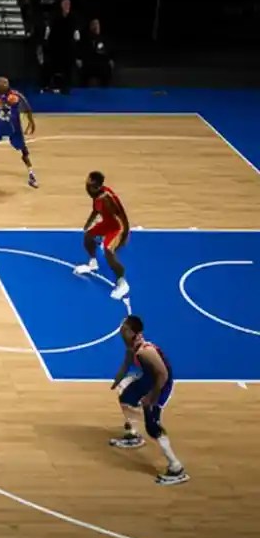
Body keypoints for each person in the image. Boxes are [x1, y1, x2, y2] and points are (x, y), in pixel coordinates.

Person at [109, 316, 187, 485]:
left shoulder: (145, 351)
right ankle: (133, 434)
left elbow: (163, 374)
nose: (121, 330)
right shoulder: (132, 347)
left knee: (152, 425)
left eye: (124, 328)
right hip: (149, 379)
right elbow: (126, 363)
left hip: (161, 384)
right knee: (126, 397)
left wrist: (152, 396)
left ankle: (176, 468)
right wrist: (117, 380)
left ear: (132, 332)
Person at [73, 170, 131, 300]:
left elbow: (121, 217)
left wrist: (124, 235)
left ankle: (123, 282)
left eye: (88, 184)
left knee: (108, 250)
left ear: (96, 187)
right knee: (88, 236)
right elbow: (95, 209)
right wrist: (88, 223)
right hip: (108, 222)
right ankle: (93, 263)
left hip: (118, 227)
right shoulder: (96, 195)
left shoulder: (107, 198)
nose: (86, 186)